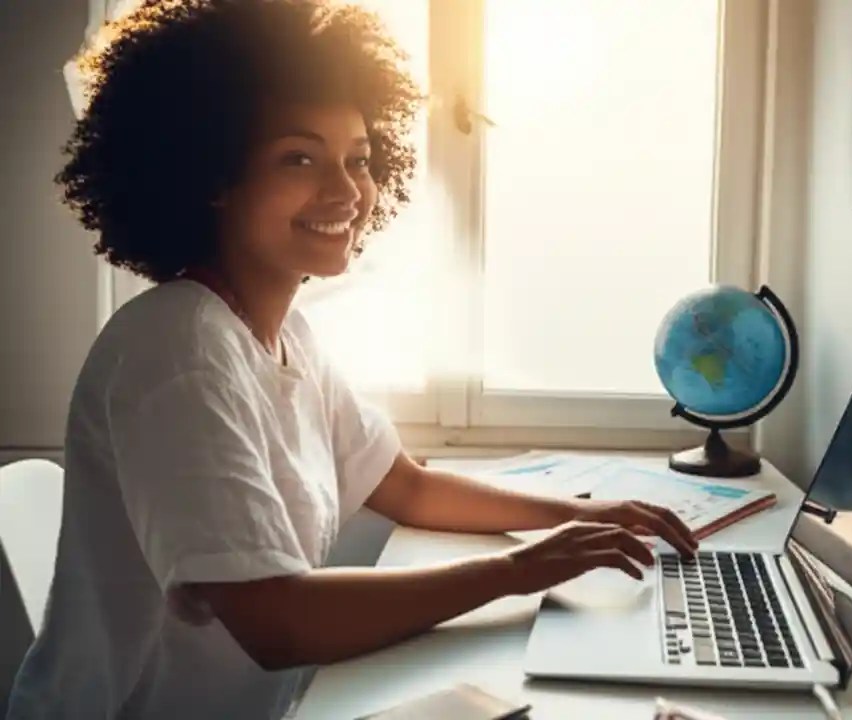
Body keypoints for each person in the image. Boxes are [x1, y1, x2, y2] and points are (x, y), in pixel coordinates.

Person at [5, 2, 697, 718]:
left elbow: (407, 488)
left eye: (359, 159)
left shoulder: (282, 333)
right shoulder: (176, 351)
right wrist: (518, 571)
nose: (347, 191)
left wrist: (581, 518)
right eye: (299, 158)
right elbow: (275, 621)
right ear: (212, 175)